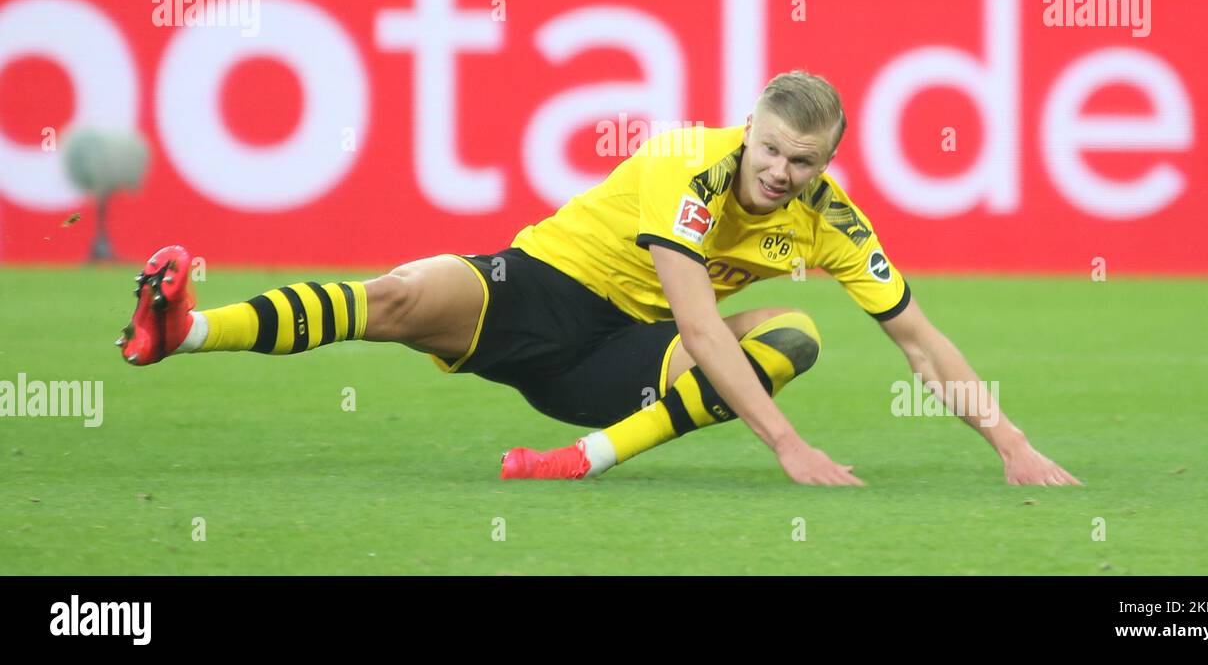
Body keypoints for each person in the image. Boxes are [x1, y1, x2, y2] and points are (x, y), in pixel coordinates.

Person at [117, 71, 1080, 488]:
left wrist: (1010, 442)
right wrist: (785, 444)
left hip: (622, 360)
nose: (783, 173)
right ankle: (188, 331)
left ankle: (588, 458)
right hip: (542, 288)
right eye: (775, 152)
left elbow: (916, 334)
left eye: (806, 161)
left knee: (798, 333)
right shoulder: (687, 169)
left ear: (828, 159)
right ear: (750, 130)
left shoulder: (828, 221)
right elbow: (704, 328)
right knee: (401, 298)